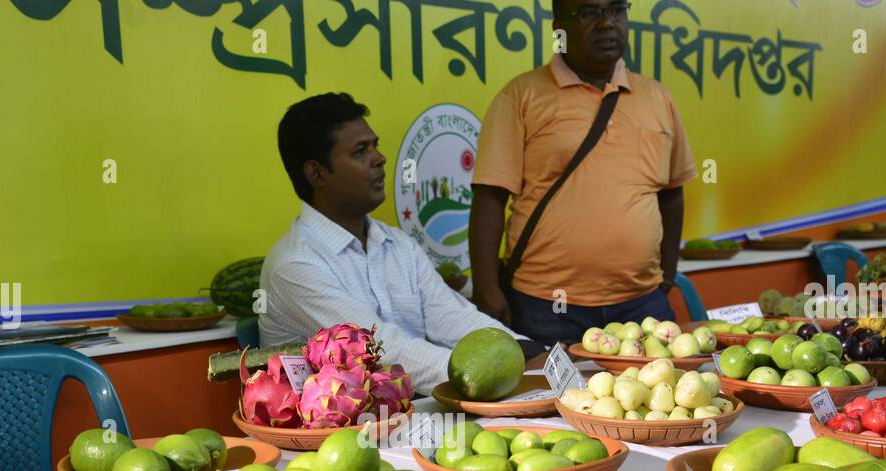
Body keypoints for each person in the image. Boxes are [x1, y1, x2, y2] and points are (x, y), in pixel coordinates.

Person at [260, 93, 545, 394]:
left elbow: (450, 317)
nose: (379, 158)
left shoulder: (397, 244)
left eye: (375, 145)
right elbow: (381, 350)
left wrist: (527, 351)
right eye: (360, 151)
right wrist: (500, 374)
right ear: (317, 173)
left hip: (414, 413)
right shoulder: (295, 265)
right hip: (341, 434)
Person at [469, 0, 697, 345]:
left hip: (643, 304)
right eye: (590, 13)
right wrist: (487, 288)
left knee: (660, 396)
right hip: (545, 305)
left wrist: (666, 278)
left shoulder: (657, 98)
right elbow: (489, 199)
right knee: (551, 400)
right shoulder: (520, 96)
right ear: (559, 24)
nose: (608, 24)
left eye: (617, 10)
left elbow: (672, 194)